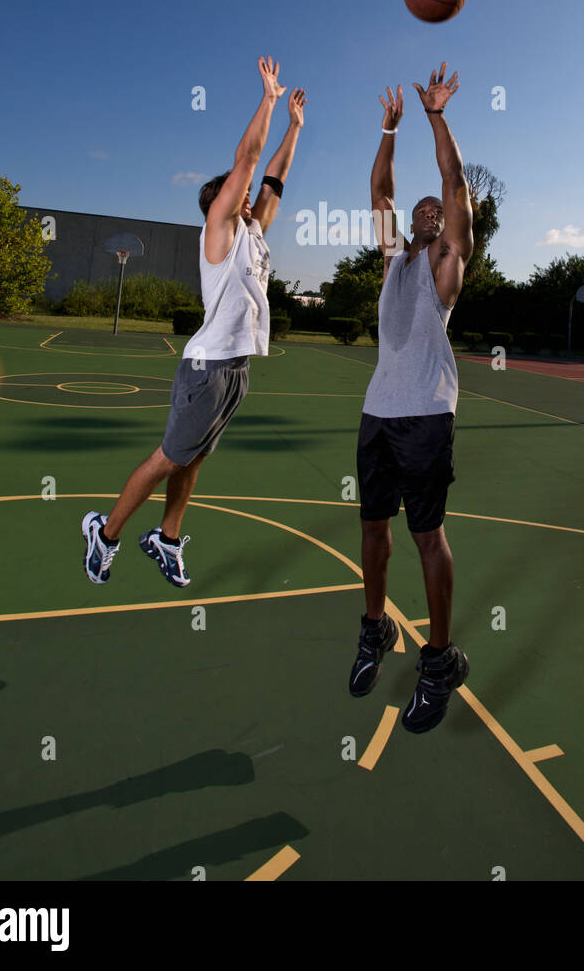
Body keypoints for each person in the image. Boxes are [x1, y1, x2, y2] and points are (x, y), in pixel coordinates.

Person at [82, 56, 305, 587]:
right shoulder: (219, 231)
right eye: (235, 191)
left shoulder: (252, 233)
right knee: (167, 458)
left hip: (235, 371)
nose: (247, 194)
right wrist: (269, 100)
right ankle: (105, 532)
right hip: (206, 369)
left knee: (194, 458)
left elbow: (272, 179)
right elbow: (249, 160)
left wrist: (296, 127)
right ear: (219, 203)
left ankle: (167, 536)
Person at [350, 63, 473, 733]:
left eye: (436, 209)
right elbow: (379, 188)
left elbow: (455, 183)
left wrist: (434, 116)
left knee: (427, 535)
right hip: (378, 413)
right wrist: (389, 126)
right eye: (420, 208)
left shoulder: (446, 267)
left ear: (447, 225)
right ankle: (375, 631)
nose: (427, 208)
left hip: (425, 414)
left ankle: (439, 658)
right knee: (373, 529)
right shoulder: (395, 258)